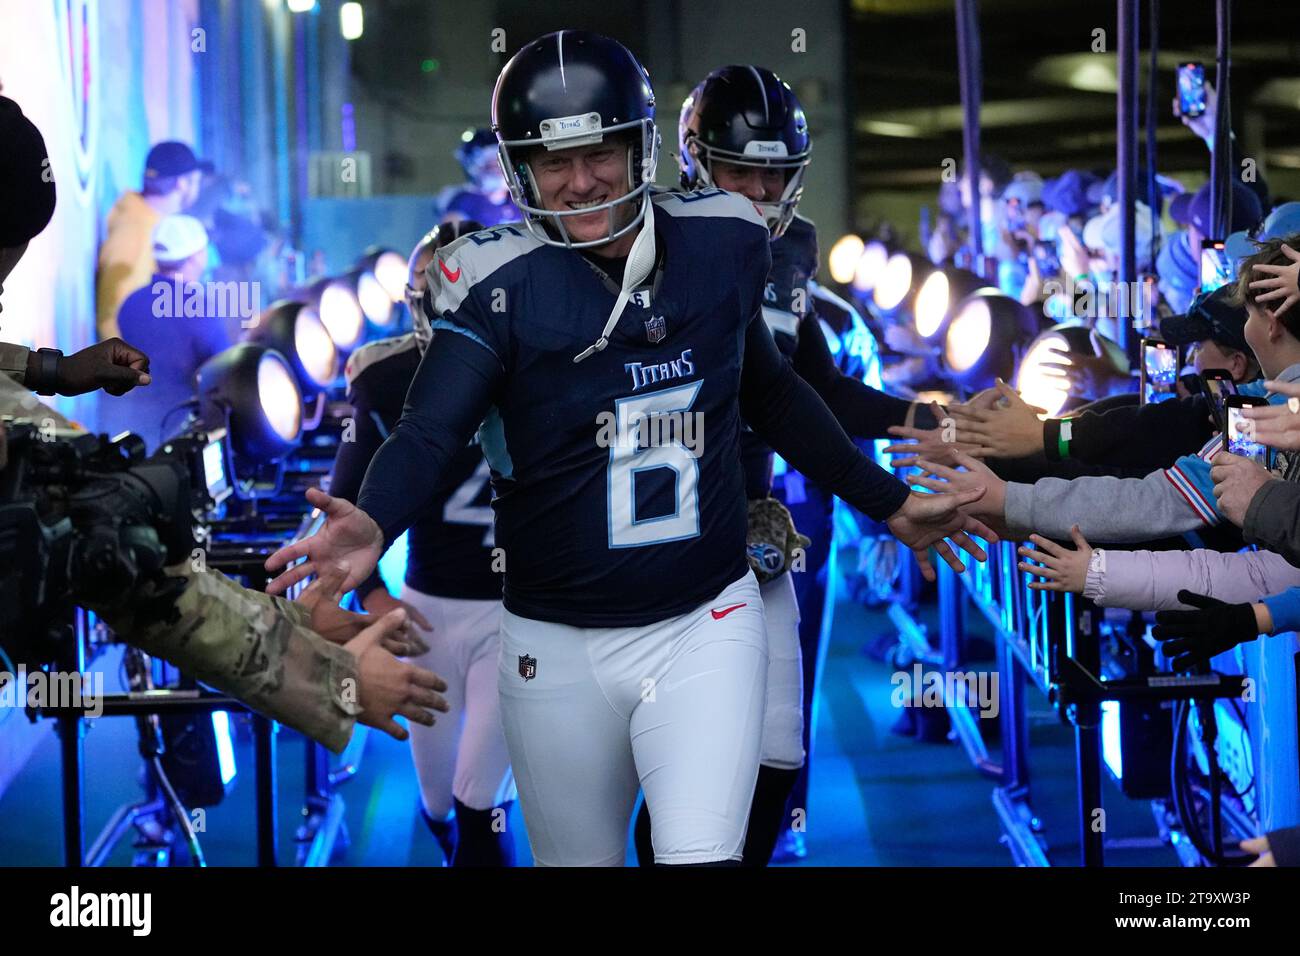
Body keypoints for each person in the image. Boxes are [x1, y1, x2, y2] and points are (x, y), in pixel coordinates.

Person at [265, 31, 992, 867]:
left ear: (640, 147)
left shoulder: (722, 244)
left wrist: (890, 501)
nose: (580, 181)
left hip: (705, 607)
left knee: (711, 839)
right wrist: (374, 520)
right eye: (552, 160)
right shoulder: (494, 280)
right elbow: (428, 429)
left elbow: (780, 393)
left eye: (600, 152)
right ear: (518, 169)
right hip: (553, 627)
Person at [329, 219, 517, 866]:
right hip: (430, 608)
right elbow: (346, 512)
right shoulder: (386, 378)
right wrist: (375, 596)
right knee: (440, 799)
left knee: (480, 796)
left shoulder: (552, 362)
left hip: (525, 611)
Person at [109, 214, 234, 447]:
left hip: (136, 421)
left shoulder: (131, 304)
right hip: (185, 428)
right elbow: (223, 369)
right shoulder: (199, 309)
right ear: (197, 257)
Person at [96, 141, 212, 341]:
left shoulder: (146, 221)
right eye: (196, 180)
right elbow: (112, 316)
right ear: (182, 184)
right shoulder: (138, 232)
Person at [436, 128, 520, 228]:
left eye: (499, 164)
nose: (497, 170)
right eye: (490, 166)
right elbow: (451, 239)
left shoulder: (522, 197)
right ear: (474, 168)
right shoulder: (464, 201)